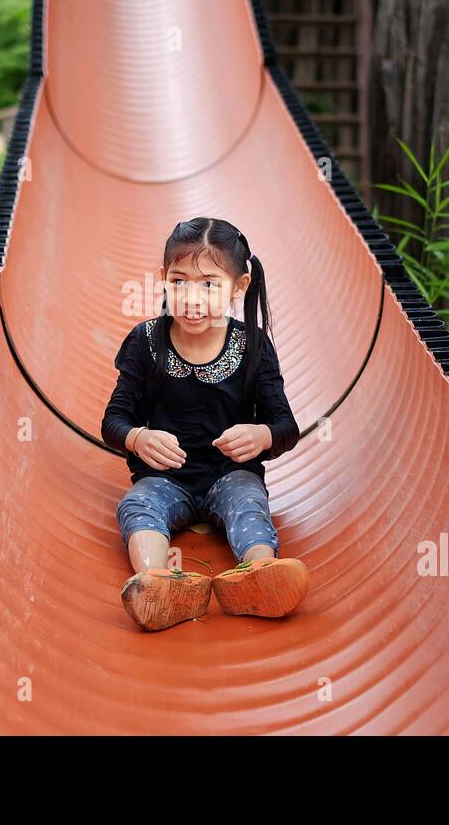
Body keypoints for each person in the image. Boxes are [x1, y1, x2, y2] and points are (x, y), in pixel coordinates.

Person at [101, 217, 309, 631]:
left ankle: (260, 574)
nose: (191, 298)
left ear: (239, 286)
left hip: (230, 474)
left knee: (249, 504)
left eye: (209, 285)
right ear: (163, 280)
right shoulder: (146, 343)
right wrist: (138, 438)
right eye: (179, 282)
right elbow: (114, 421)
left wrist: (262, 435)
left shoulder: (251, 345)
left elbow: (285, 425)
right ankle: (156, 582)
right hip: (165, 477)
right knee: (137, 505)